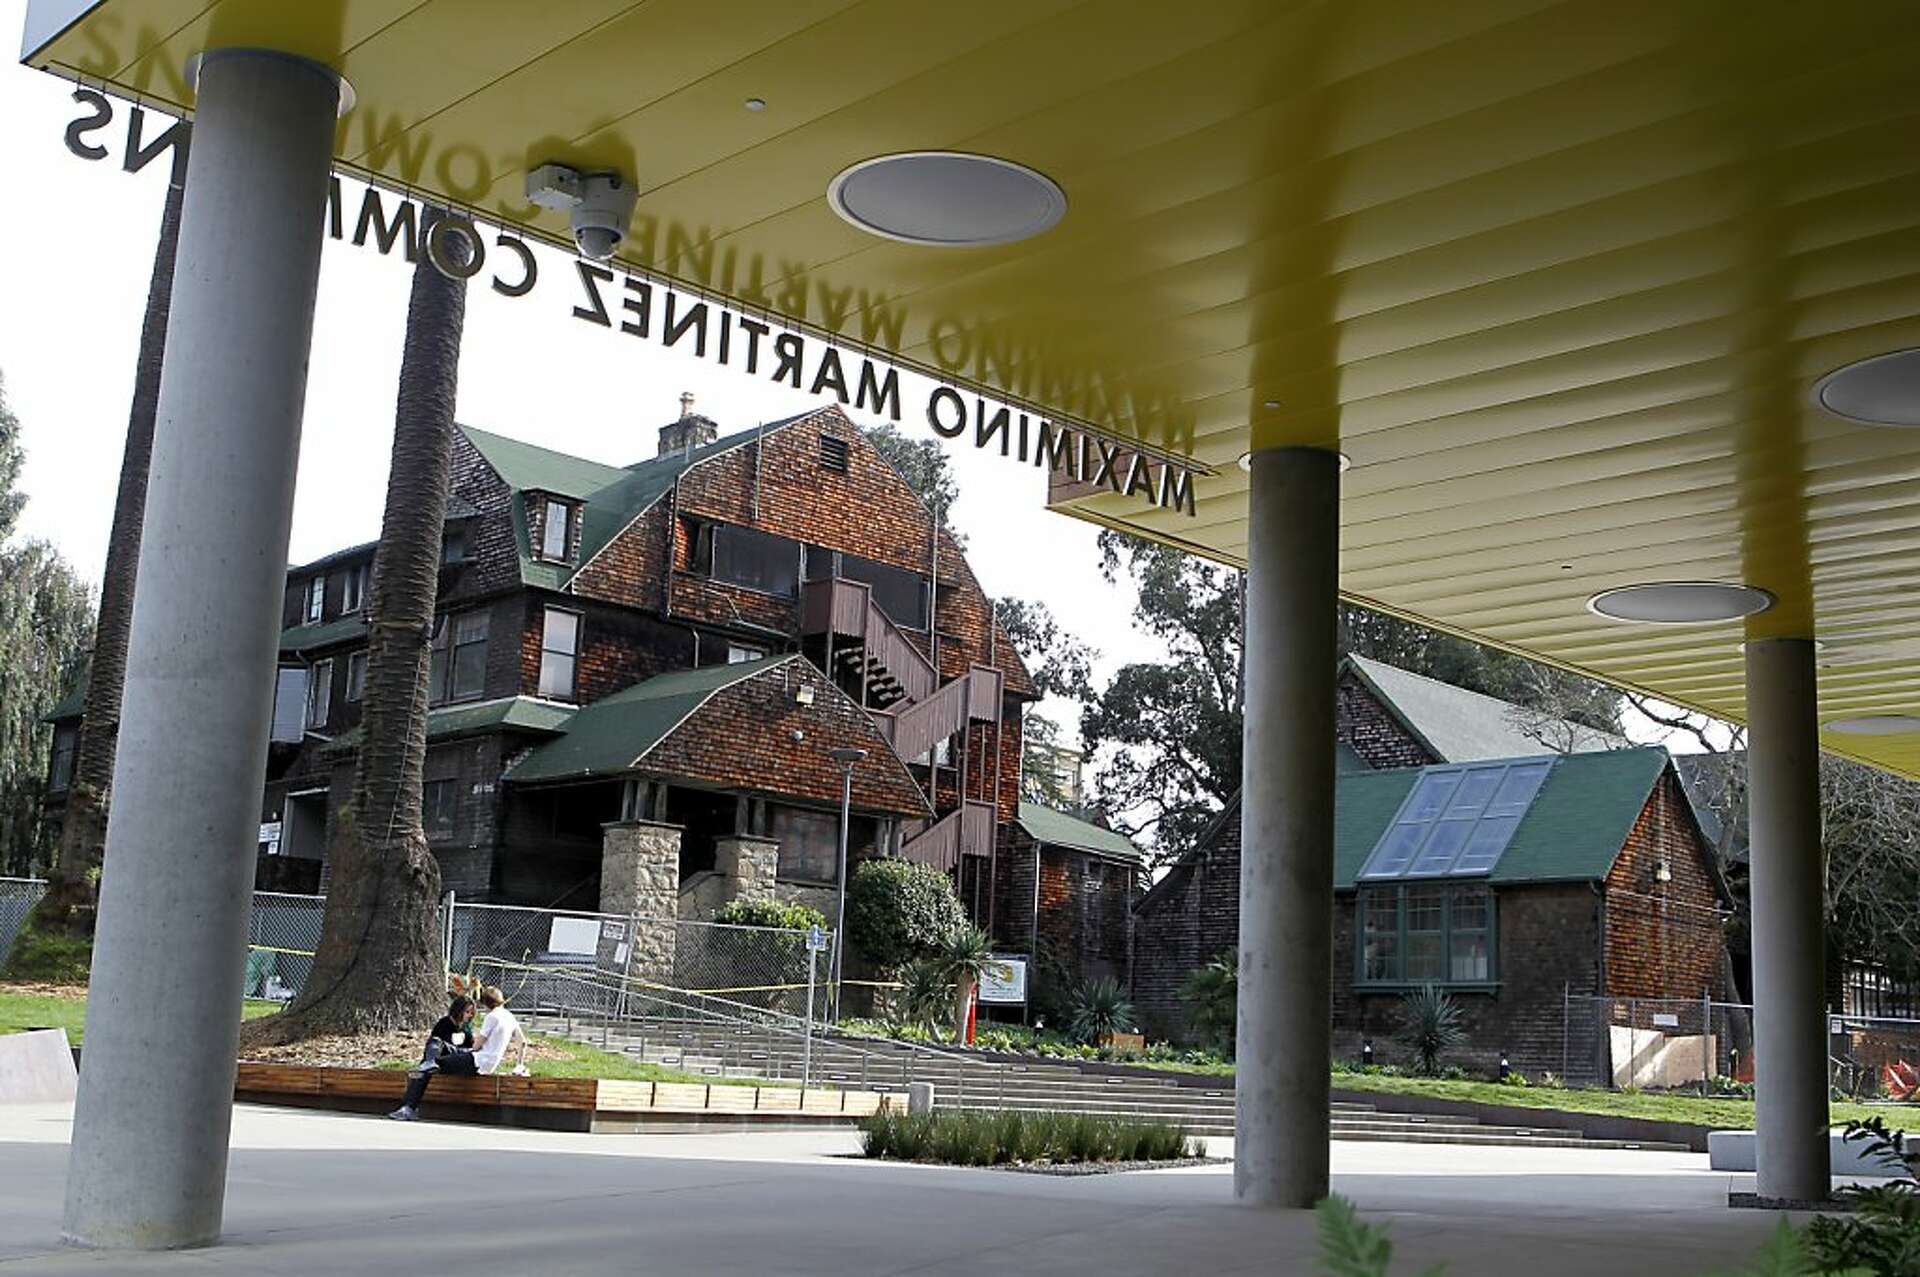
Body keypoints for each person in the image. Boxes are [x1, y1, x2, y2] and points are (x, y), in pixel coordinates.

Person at [388, 986, 524, 1121]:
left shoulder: (492, 1017)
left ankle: (409, 1108)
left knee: (429, 1066)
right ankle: (413, 1098)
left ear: (485, 1002)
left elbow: (476, 1046)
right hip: (484, 1062)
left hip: (477, 1060)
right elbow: (523, 1042)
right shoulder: (509, 1016)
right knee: (435, 1047)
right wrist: (520, 1065)